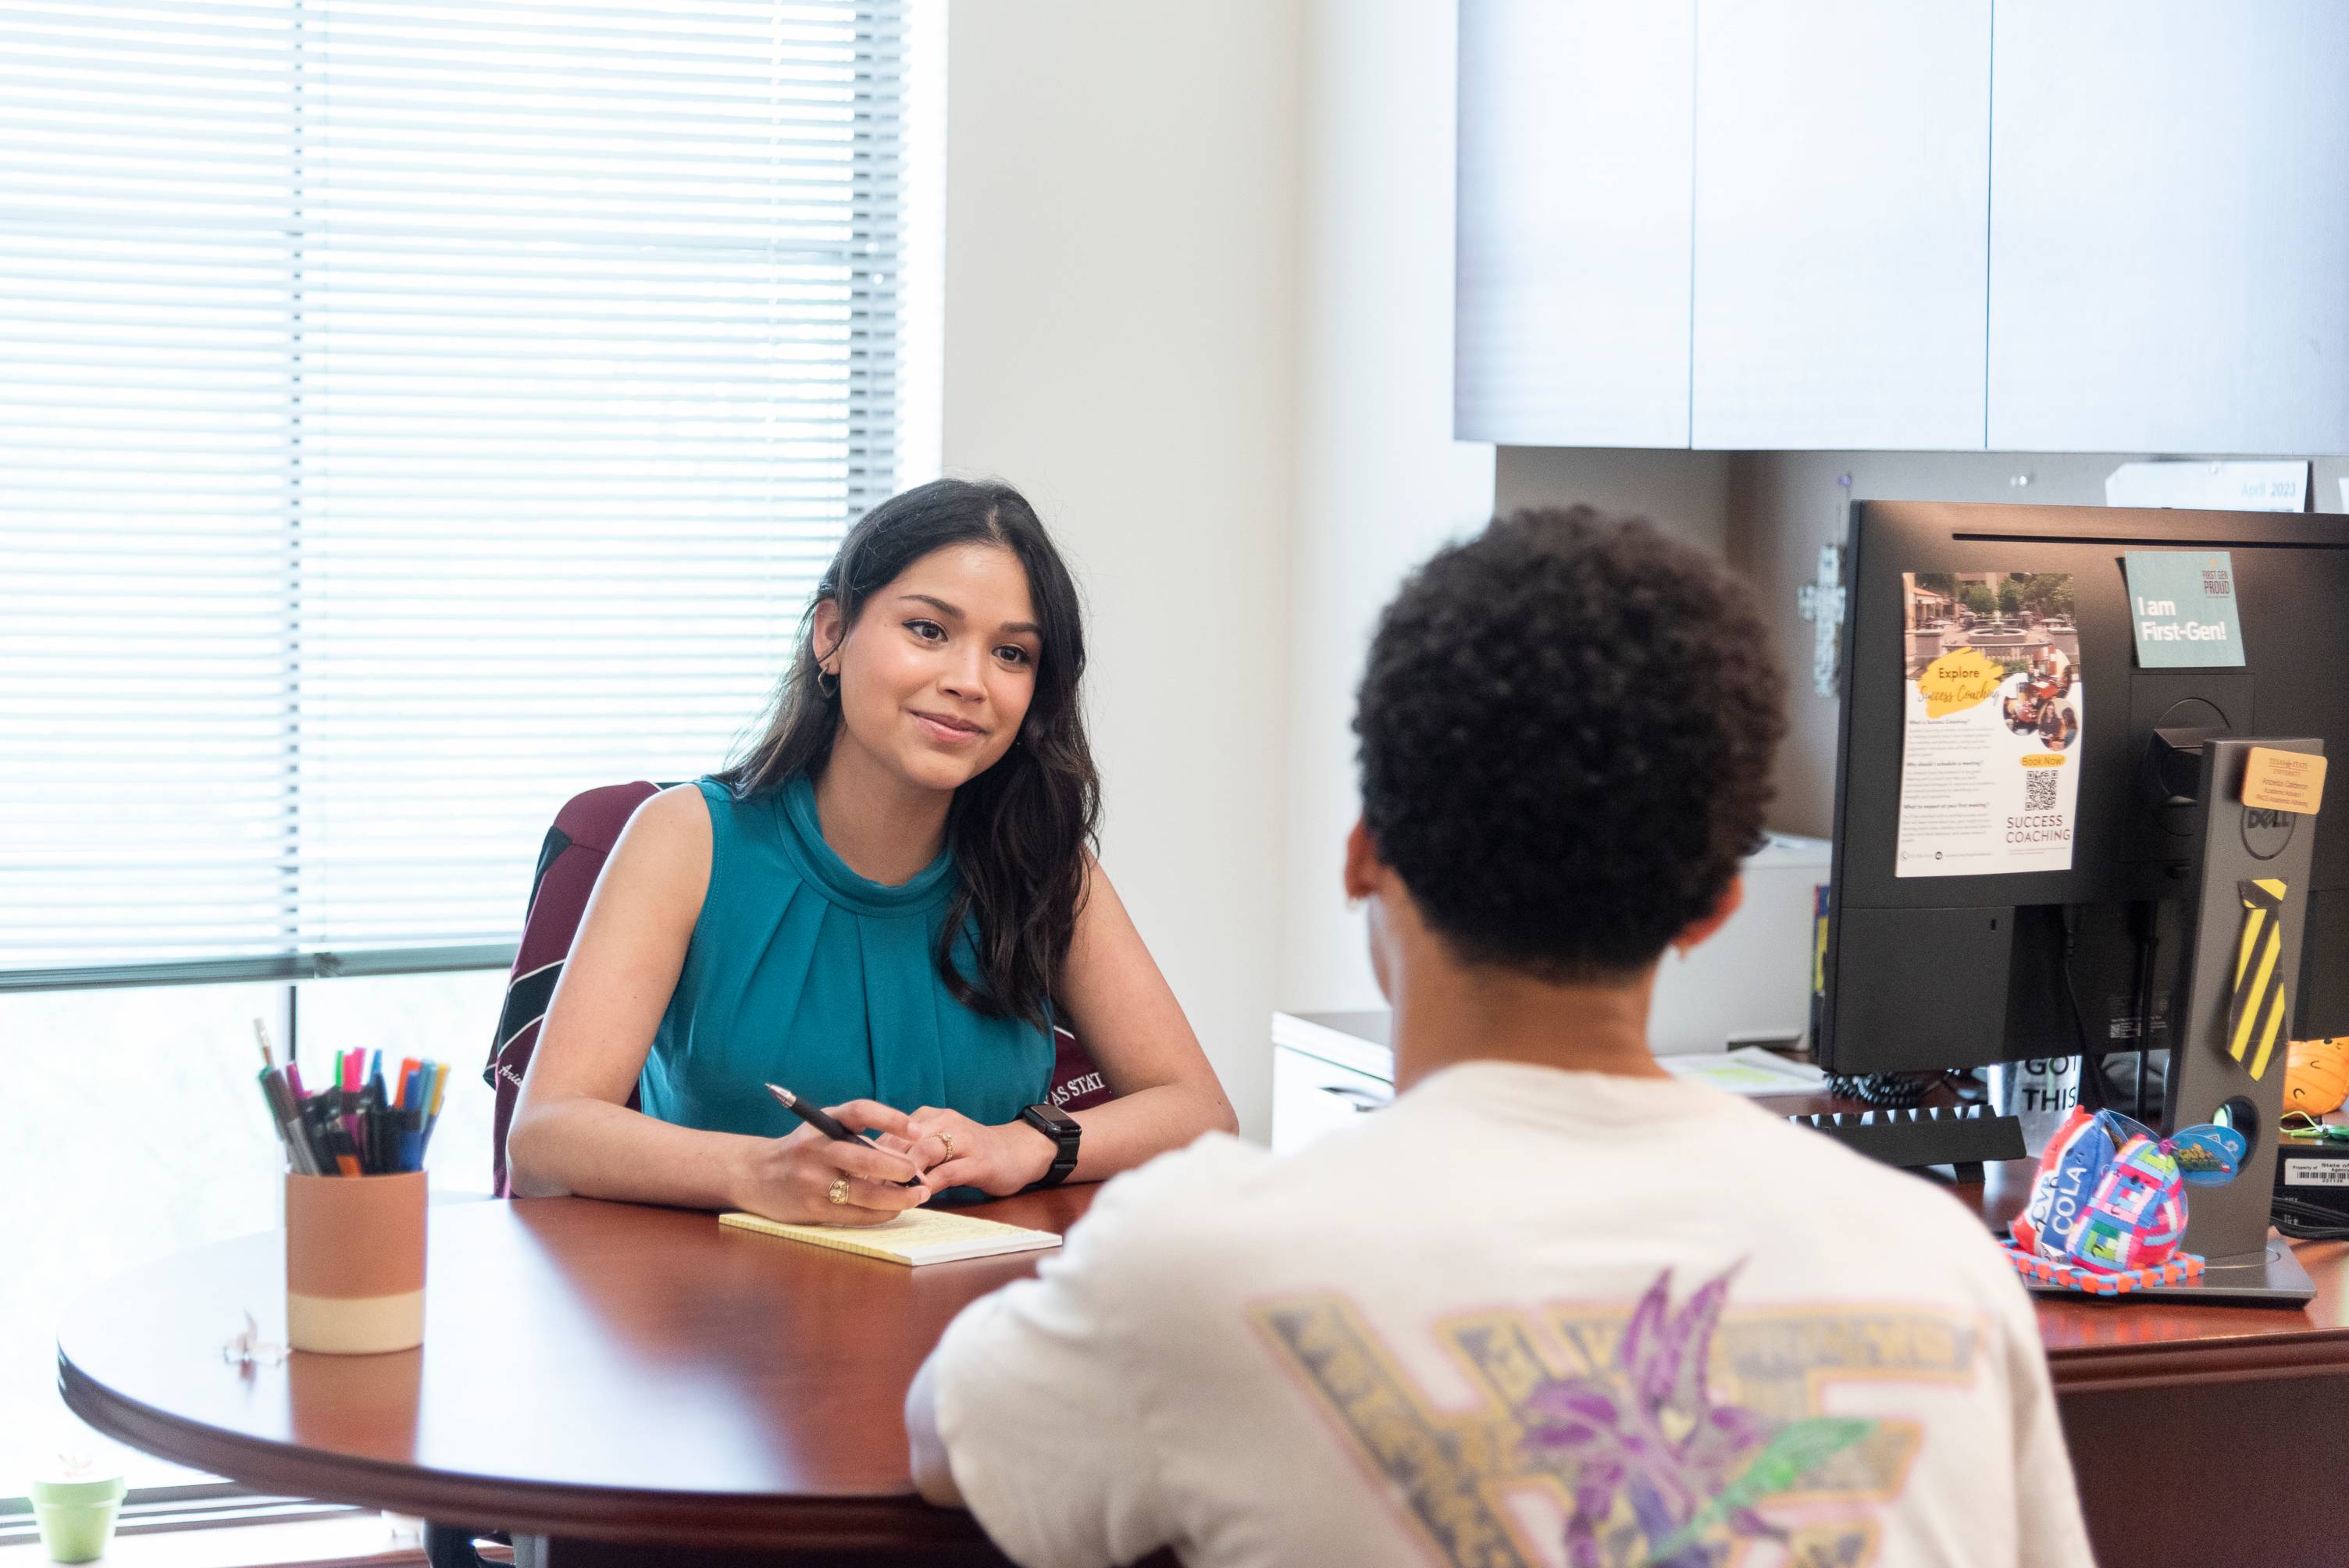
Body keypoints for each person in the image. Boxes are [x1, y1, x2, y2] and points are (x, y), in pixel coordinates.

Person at [906, 508, 2094, 1568]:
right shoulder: (1942, 1270)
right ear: (1714, 903)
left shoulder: (1196, 1266)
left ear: (1365, 854)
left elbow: (948, 1442)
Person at [507, 479, 1235, 1223]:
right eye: (928, 630)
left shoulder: (1044, 862)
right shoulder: (684, 836)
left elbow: (1199, 1111)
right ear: (832, 634)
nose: (969, 682)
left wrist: (1030, 1142)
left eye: (1012, 653)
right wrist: (756, 1170)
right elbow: (543, 1138)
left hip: (969, 1306)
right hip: (721, 1311)